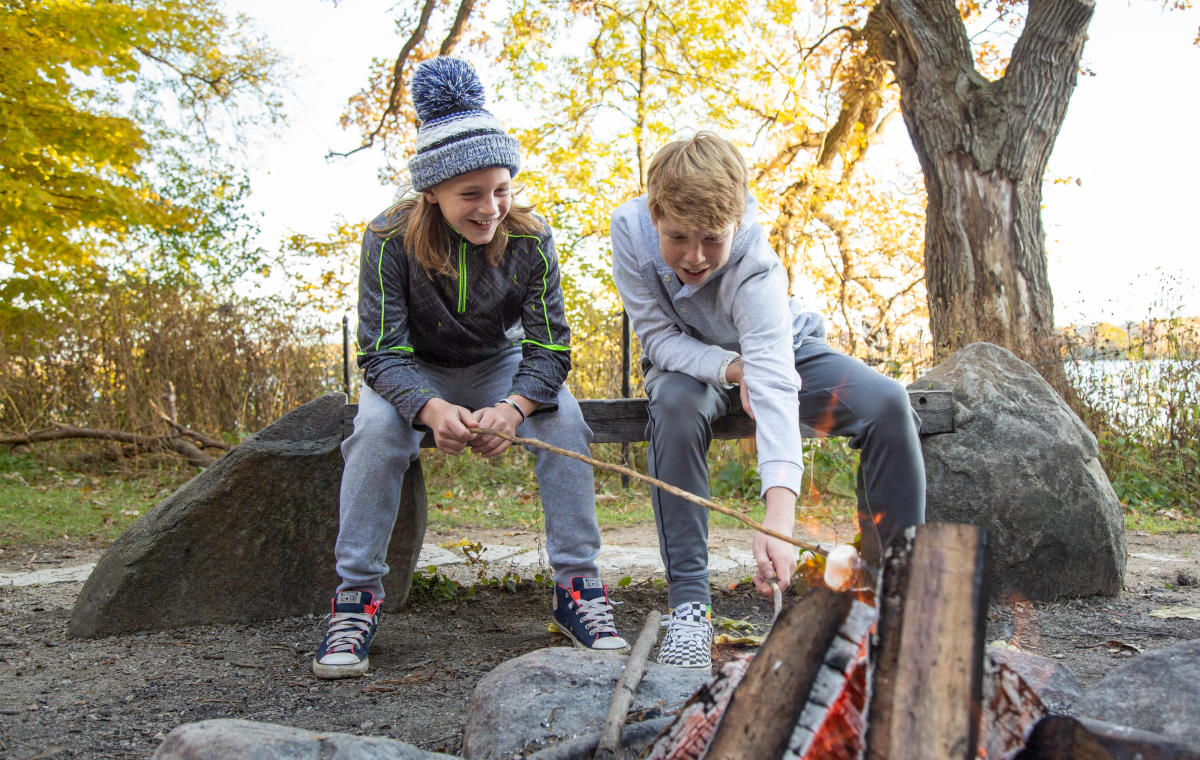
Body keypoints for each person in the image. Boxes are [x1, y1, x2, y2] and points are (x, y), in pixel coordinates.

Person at [314, 57, 628, 680]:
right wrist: (428, 408)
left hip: (497, 366)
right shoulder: (387, 238)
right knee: (376, 435)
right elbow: (379, 351)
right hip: (410, 369)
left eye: (502, 189)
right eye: (472, 195)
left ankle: (579, 589)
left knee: (564, 423)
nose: (491, 208)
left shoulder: (532, 240)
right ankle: (356, 598)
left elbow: (550, 349)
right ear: (431, 192)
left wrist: (514, 409)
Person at [610, 132, 925, 669]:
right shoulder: (629, 231)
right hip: (689, 363)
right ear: (655, 215)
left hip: (780, 348)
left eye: (712, 239)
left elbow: (776, 382)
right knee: (676, 408)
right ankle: (689, 608)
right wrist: (733, 370)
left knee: (889, 402)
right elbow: (658, 338)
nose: (694, 256)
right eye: (678, 237)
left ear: (737, 222)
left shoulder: (756, 266)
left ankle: (897, 598)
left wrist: (777, 519)